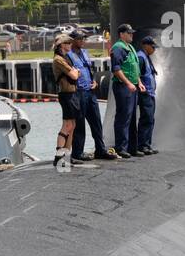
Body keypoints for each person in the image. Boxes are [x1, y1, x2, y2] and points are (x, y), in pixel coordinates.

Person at [69, 29, 114, 161]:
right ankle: (78, 152)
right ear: (72, 40)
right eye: (79, 39)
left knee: (96, 123)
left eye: (83, 38)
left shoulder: (84, 52)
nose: (82, 41)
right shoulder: (69, 55)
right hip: (79, 92)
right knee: (80, 124)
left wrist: (94, 80)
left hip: (90, 91)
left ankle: (100, 149)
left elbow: (90, 69)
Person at [51, 33, 81, 170]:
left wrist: (76, 72)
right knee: (67, 126)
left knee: (72, 125)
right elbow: (74, 74)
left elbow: (75, 73)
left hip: (72, 94)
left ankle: (66, 155)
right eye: (67, 43)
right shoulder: (58, 59)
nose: (70, 45)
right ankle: (59, 155)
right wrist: (76, 72)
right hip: (66, 95)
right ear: (61, 45)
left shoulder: (65, 58)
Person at [110, 24, 140, 158]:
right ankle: (121, 147)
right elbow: (116, 69)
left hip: (132, 86)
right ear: (121, 34)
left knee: (132, 117)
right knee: (123, 117)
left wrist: (139, 82)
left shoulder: (130, 47)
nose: (131, 35)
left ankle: (132, 147)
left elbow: (134, 67)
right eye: (128, 33)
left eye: (132, 33)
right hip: (123, 86)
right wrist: (128, 83)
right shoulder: (118, 48)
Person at [133, 35, 159, 155]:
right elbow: (136, 74)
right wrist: (140, 86)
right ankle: (142, 145)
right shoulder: (141, 57)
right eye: (152, 47)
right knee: (146, 118)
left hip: (150, 93)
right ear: (146, 46)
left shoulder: (146, 57)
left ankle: (147, 144)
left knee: (150, 119)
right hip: (145, 93)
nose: (154, 49)